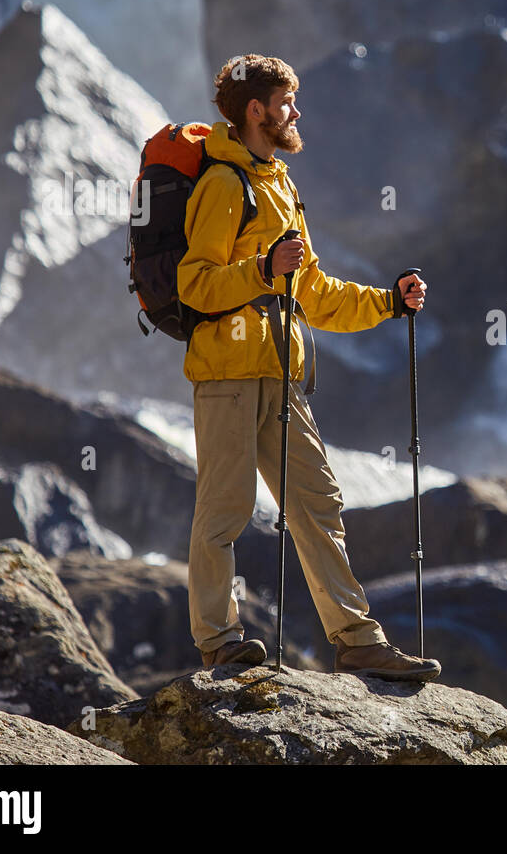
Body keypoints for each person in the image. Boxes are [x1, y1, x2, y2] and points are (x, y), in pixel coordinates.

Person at [177, 53, 440, 682]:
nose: (296, 112)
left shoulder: (279, 184)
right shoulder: (222, 186)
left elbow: (312, 291)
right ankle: (219, 642)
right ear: (256, 111)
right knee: (225, 511)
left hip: (280, 377)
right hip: (229, 377)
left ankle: (355, 640)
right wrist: (263, 271)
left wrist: (385, 302)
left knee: (318, 503)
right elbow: (194, 286)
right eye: (287, 102)